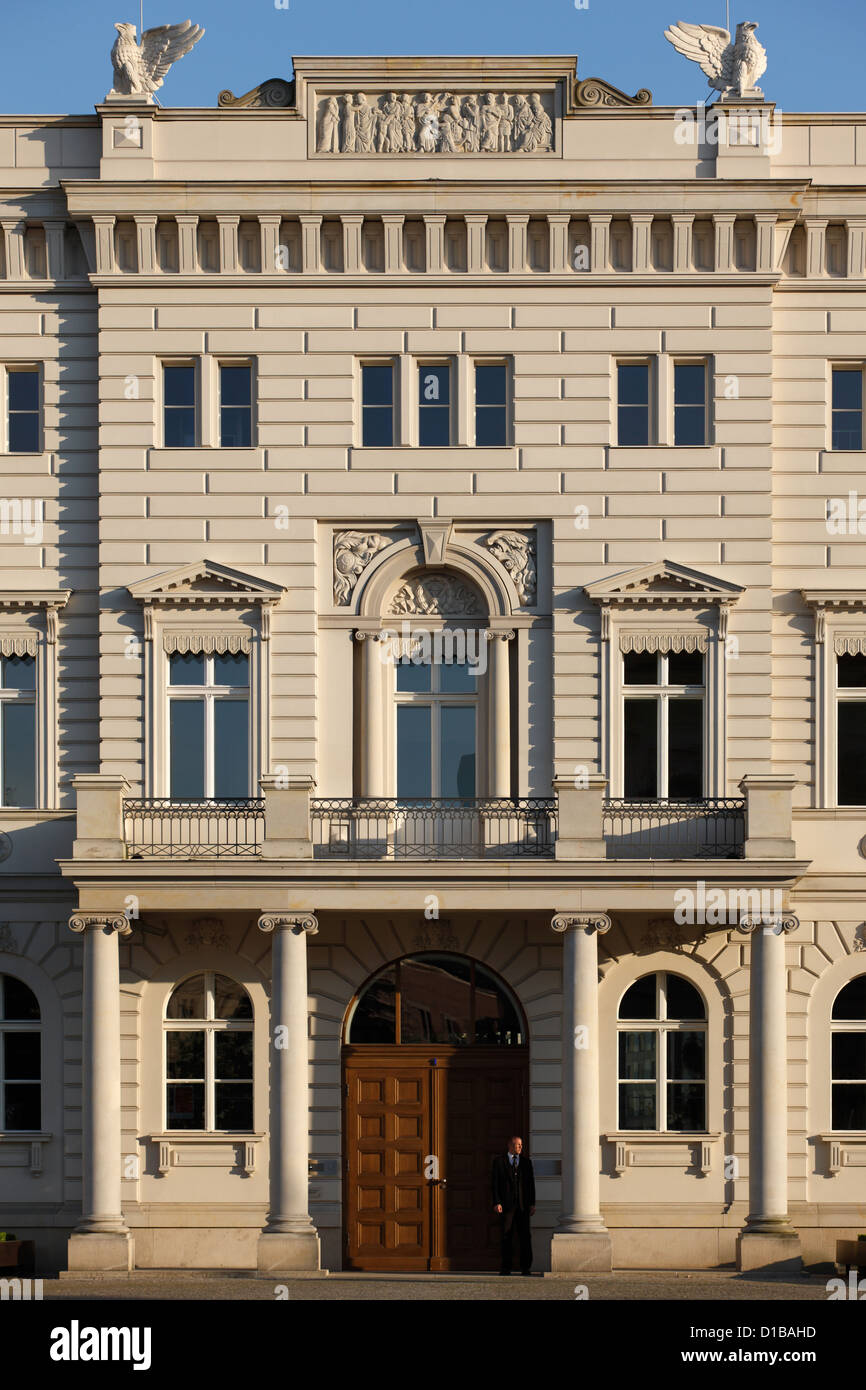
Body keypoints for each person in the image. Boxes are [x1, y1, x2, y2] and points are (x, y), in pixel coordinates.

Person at [491, 1135, 535, 1275]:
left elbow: (530, 1185)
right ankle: (506, 1267)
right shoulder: (499, 1162)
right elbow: (495, 1184)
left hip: (523, 1206)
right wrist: (497, 1202)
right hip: (506, 1206)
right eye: (518, 1145)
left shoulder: (526, 1162)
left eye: (521, 1144)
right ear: (510, 1146)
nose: (521, 1147)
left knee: (525, 1237)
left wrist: (532, 1204)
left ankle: (525, 1267)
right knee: (506, 1236)